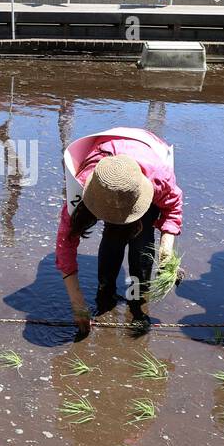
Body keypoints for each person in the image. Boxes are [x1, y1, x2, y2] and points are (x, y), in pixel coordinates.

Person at [56, 127, 183, 339]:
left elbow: (173, 206)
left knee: (142, 244)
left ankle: (137, 302)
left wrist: (166, 248)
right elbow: (65, 244)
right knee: (114, 236)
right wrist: (77, 303)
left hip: (142, 168)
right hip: (108, 175)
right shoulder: (82, 187)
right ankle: (105, 296)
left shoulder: (158, 176)